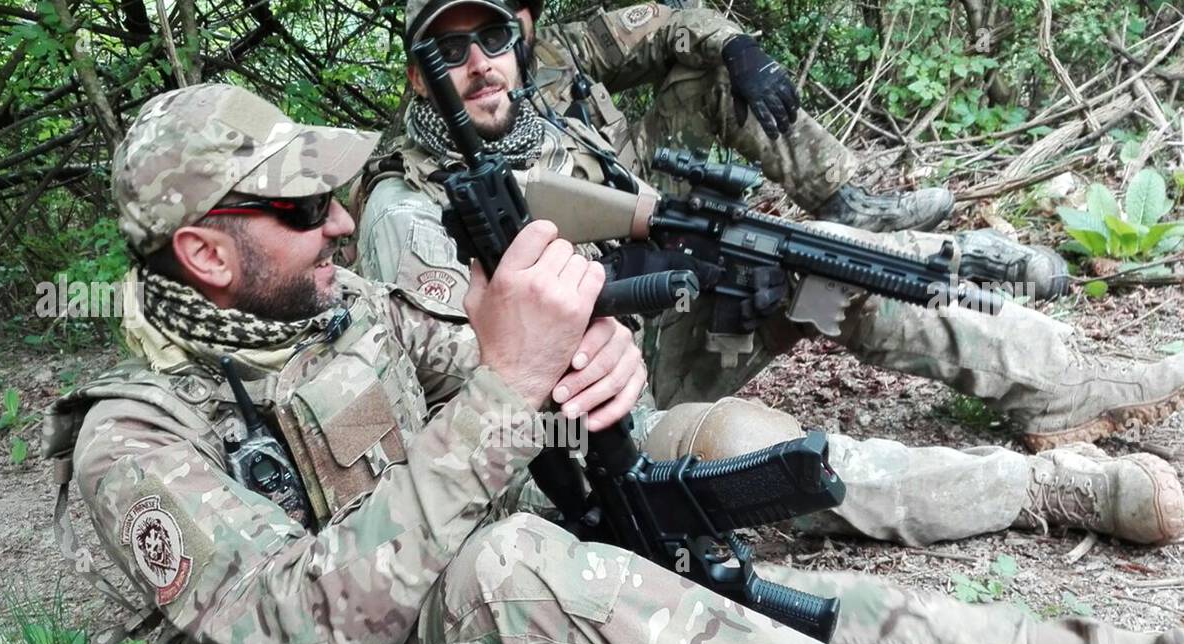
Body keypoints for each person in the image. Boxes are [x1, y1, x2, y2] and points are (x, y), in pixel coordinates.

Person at [42, 82, 1184, 644]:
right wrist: (504, 387)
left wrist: (589, 366)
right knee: (515, 566)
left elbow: (511, 391)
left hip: (489, 627)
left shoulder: (353, 313)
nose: (341, 222)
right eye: (301, 211)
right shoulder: (134, 439)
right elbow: (310, 624)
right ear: (204, 252)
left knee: (742, 585)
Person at [353, 0, 1184, 549]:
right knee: (759, 453)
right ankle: (1042, 490)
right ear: (419, 74)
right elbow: (477, 398)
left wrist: (711, 268)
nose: (479, 64)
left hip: (646, 342)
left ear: (519, 35)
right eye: (450, 51)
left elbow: (638, 214)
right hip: (575, 435)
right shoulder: (408, 209)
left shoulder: (547, 126)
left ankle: (1063, 383)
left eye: (491, 39)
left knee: (810, 258)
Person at [504, 0, 954, 234]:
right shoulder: (452, 95)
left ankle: (843, 204)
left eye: (510, 10)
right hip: (572, 234)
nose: (498, 31)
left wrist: (736, 47)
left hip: (641, 177)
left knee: (715, 70)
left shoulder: (558, 49)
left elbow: (666, 25)